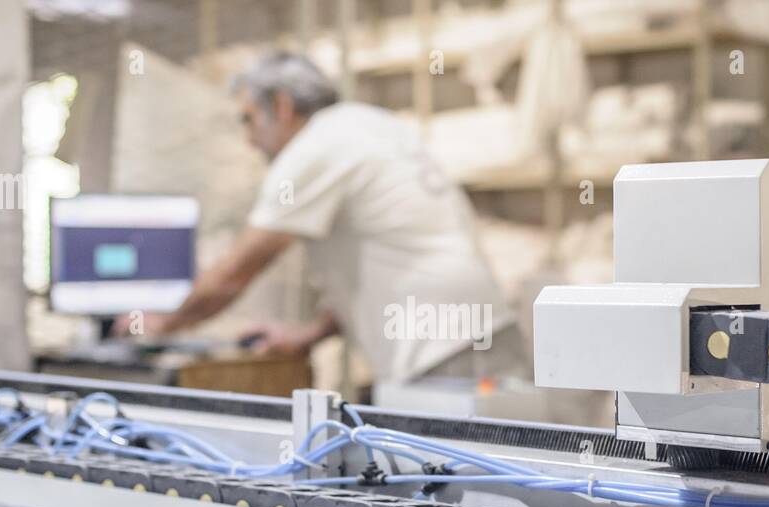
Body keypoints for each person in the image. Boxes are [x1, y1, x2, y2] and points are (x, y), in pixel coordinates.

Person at [114, 51, 525, 383]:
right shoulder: (368, 124)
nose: (249, 139)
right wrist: (310, 334)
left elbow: (236, 272)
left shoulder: (313, 149)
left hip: (441, 354)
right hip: (483, 336)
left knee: (459, 479)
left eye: (249, 119)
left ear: (282, 105)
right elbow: (383, 255)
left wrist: (162, 322)